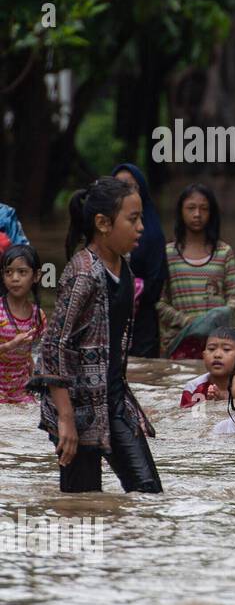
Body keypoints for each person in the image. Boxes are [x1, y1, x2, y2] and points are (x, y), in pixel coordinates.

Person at [27, 178, 162, 493]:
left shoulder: (123, 266)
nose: (141, 226)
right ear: (103, 223)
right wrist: (66, 420)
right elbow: (52, 347)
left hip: (113, 400)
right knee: (82, 501)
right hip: (77, 409)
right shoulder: (83, 274)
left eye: (141, 217)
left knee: (148, 494)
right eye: (133, 219)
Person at [157, 183, 235, 359]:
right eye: (191, 208)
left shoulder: (224, 252)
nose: (197, 214)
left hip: (217, 344)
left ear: (211, 213)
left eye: (204, 209)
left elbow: (233, 297)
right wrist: (188, 322)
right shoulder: (167, 253)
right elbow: (159, 302)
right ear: (181, 211)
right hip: (178, 341)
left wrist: (215, 318)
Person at [111, 164, 168, 358]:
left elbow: (157, 283)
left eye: (131, 186)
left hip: (142, 321)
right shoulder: (101, 230)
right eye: (118, 186)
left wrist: (132, 289)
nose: (124, 192)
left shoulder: (152, 233)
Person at [0, 243, 45, 404]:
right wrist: (10, 345)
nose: (15, 278)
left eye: (22, 272)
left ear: (36, 276)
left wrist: (38, 384)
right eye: (8, 272)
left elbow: (29, 356)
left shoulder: (38, 316)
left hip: (22, 392)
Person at [179, 326, 235, 409]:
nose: (217, 355)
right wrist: (208, 406)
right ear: (203, 355)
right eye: (211, 349)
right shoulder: (193, 388)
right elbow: (188, 417)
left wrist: (224, 403)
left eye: (226, 349)